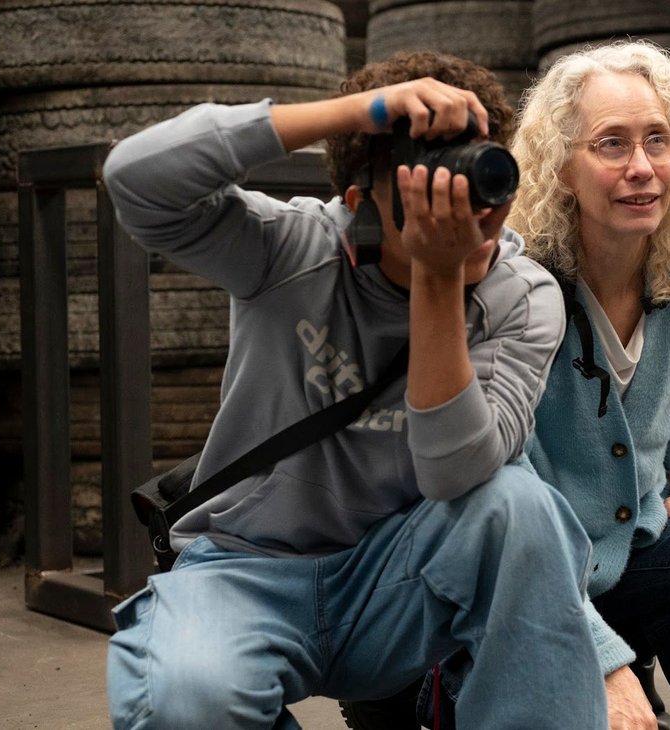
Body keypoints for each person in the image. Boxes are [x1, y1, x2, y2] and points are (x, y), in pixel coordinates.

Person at [351, 40, 670, 730]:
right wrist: (593, 653)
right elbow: (497, 478)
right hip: (512, 560)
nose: (642, 168)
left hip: (637, 539)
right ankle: (452, 671)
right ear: (560, 165)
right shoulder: (511, 280)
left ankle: (626, 650)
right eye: (611, 144)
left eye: (658, 141)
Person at [101, 52, 606, 730]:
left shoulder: (523, 294)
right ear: (359, 203)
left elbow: (455, 470)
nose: (472, 213)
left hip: (399, 579)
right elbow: (134, 180)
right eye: (426, 189)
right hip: (247, 571)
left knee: (519, 505)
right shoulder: (289, 248)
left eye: (486, 177)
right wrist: (358, 112)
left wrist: (437, 277)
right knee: (186, 701)